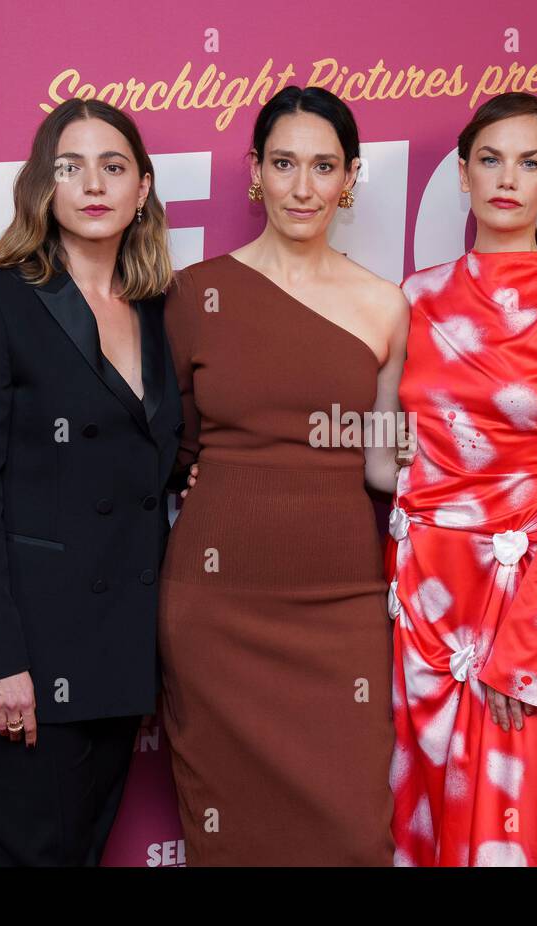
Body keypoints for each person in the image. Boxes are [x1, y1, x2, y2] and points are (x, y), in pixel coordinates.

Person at [0, 98, 181, 866]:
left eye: (114, 166)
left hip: (116, 657)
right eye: (72, 167)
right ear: (44, 185)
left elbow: (147, 456)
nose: (94, 184)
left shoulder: (161, 311)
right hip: (23, 657)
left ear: (143, 188)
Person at [159, 86, 409, 865]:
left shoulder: (385, 305)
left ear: (350, 178)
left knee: (354, 833)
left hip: (339, 605)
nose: (304, 188)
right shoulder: (194, 294)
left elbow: (380, 460)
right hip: (216, 610)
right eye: (285, 163)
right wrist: (195, 477)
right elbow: (171, 443)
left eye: (324, 167)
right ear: (255, 172)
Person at [387, 92, 537, 866]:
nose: (507, 179)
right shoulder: (416, 297)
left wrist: (528, 649)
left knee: (512, 810)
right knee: (423, 808)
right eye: (490, 159)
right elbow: (388, 447)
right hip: (424, 596)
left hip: (521, 599)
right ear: (462, 172)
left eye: (529, 163)